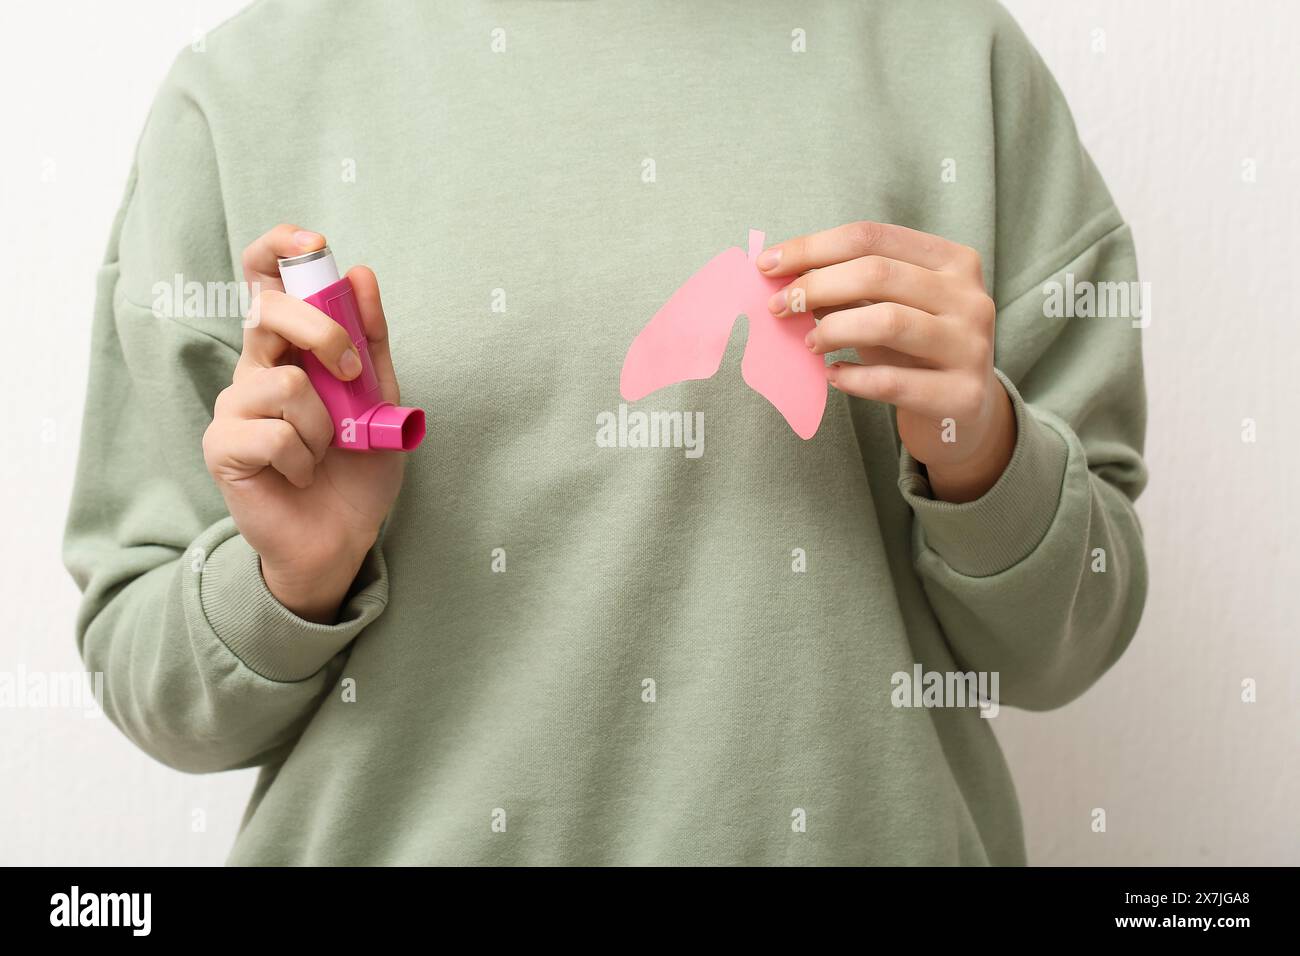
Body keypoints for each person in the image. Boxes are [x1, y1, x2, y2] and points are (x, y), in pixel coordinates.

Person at [63, 0, 1147, 865]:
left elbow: (1069, 644)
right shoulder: (248, 92)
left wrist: (982, 452)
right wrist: (291, 576)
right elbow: (160, 690)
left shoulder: (960, 61)